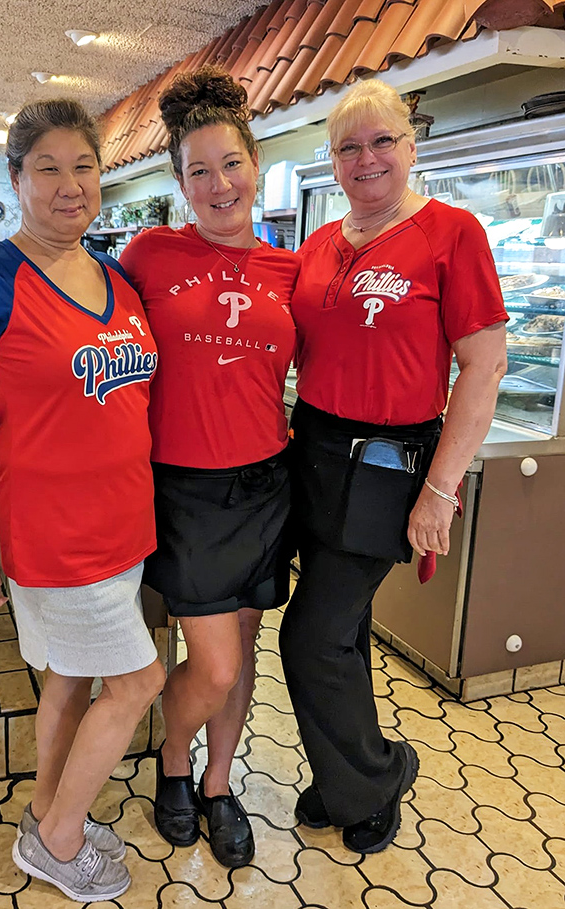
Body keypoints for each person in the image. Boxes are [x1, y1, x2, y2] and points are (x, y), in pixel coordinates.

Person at [0, 98, 166, 902]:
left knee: (70, 682)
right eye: (48, 168)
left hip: (125, 529)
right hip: (56, 537)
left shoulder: (118, 279)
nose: (71, 186)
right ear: (14, 178)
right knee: (139, 683)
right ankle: (59, 843)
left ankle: (44, 808)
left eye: (84, 166)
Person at [280, 79, 508, 854]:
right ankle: (345, 772)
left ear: (411, 149)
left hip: (386, 463)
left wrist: (440, 491)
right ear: (333, 163)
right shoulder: (319, 245)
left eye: (382, 141)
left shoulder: (452, 233)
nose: (366, 158)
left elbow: (484, 365)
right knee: (339, 632)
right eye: (349, 146)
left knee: (309, 636)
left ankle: (378, 773)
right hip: (309, 450)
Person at [119, 66, 299, 868]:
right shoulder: (148, 255)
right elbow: (95, 346)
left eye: (231, 164)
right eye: (199, 170)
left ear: (254, 166)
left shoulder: (288, 269)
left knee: (243, 651)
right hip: (184, 489)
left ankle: (218, 782)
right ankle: (170, 762)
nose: (219, 183)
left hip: (267, 482)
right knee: (214, 661)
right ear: (179, 181)